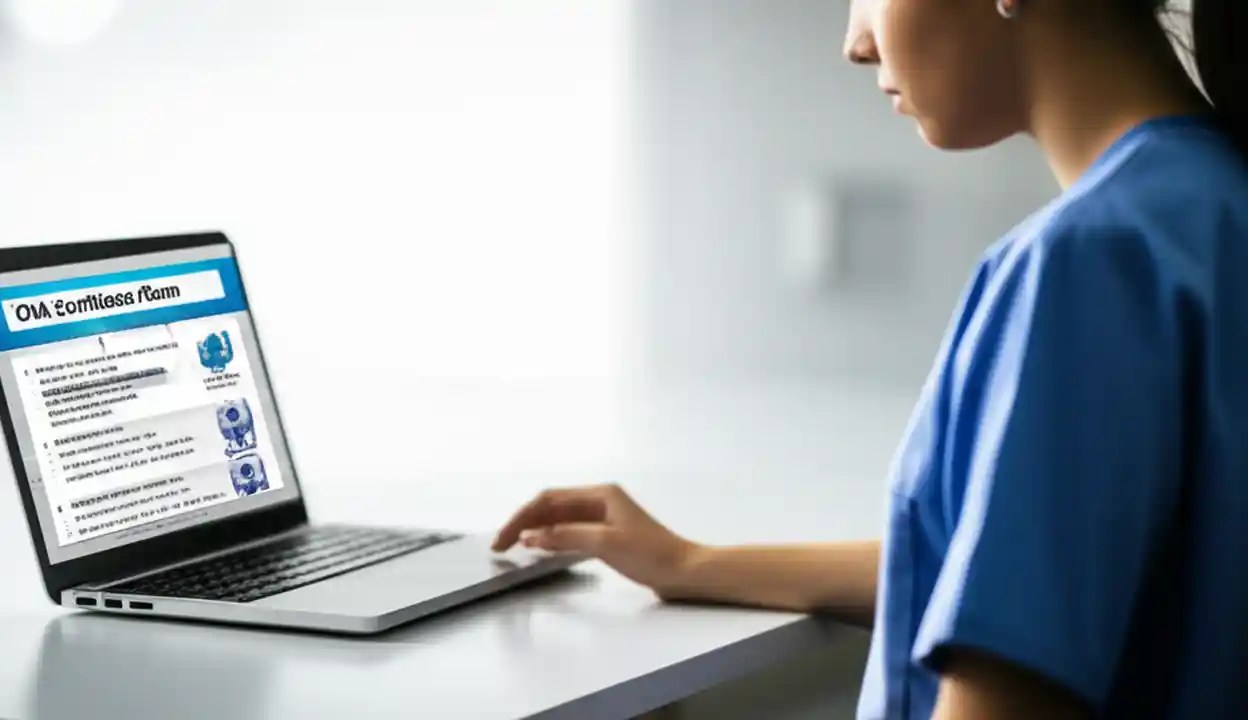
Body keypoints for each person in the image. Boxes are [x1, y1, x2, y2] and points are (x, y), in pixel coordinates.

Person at [493, 0, 1248, 718]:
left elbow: (1021, 668)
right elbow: (1028, 570)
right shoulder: (1214, 200)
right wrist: (690, 564)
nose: (855, 43)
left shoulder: (1084, 262)